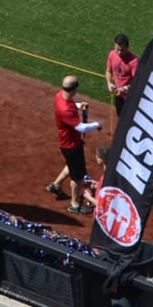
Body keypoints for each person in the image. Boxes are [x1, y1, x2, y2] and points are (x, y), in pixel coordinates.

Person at [46, 75, 102, 214]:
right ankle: (74, 204)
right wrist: (97, 125)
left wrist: (78, 105)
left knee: (72, 166)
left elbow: (69, 104)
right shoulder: (66, 110)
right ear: (75, 88)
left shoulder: (60, 96)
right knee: (77, 177)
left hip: (68, 142)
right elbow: (81, 128)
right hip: (71, 145)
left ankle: (55, 185)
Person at [105, 34, 138, 113]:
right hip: (118, 94)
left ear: (127, 47)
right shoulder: (112, 54)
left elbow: (137, 82)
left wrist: (125, 88)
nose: (119, 52)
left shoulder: (134, 62)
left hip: (130, 97)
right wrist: (109, 83)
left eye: (121, 50)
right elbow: (108, 71)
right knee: (119, 113)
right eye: (116, 49)